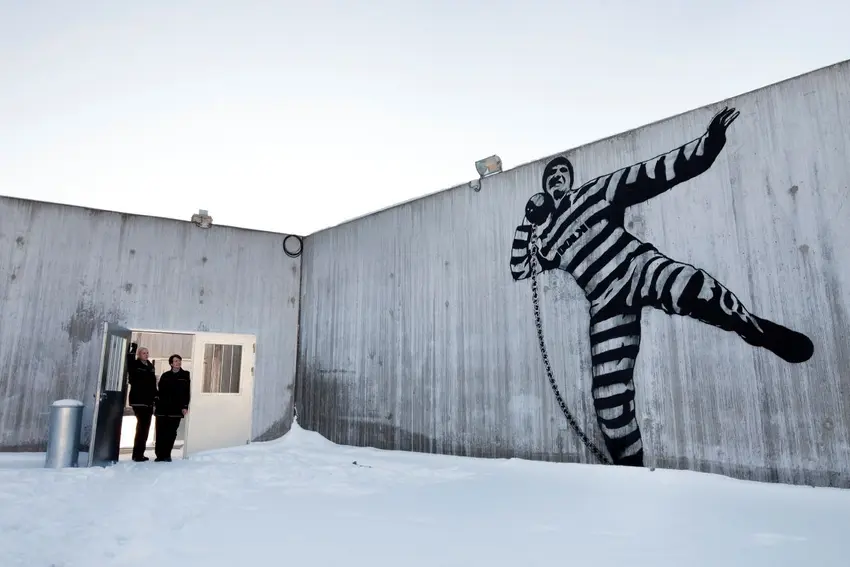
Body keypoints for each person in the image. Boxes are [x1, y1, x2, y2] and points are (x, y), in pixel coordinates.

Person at [510, 106, 813, 467]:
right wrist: (528, 221)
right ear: (545, 188)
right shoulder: (546, 242)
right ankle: (631, 470)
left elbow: (650, 174)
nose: (558, 177)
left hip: (636, 267)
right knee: (608, 401)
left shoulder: (594, 193)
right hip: (604, 304)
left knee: (692, 287)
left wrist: (707, 146)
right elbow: (519, 269)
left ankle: (755, 329)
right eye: (552, 175)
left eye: (563, 172)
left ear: (571, 180)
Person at [154, 354, 191, 462]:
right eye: (175, 361)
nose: (178, 362)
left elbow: (186, 392)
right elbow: (160, 390)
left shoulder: (185, 375)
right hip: (162, 408)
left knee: (171, 432)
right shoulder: (165, 375)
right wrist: (156, 404)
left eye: (179, 361)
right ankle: (159, 455)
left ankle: (167, 454)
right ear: (171, 363)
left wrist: (185, 406)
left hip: (176, 408)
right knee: (160, 431)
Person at [127, 346, 157, 462]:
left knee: (145, 427)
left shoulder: (150, 366)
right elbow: (130, 366)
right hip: (139, 400)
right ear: (139, 355)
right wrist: (132, 352)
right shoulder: (135, 365)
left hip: (148, 401)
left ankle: (140, 453)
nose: (146, 354)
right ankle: (137, 454)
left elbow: (153, 383)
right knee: (141, 426)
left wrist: (155, 396)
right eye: (144, 353)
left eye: (147, 353)